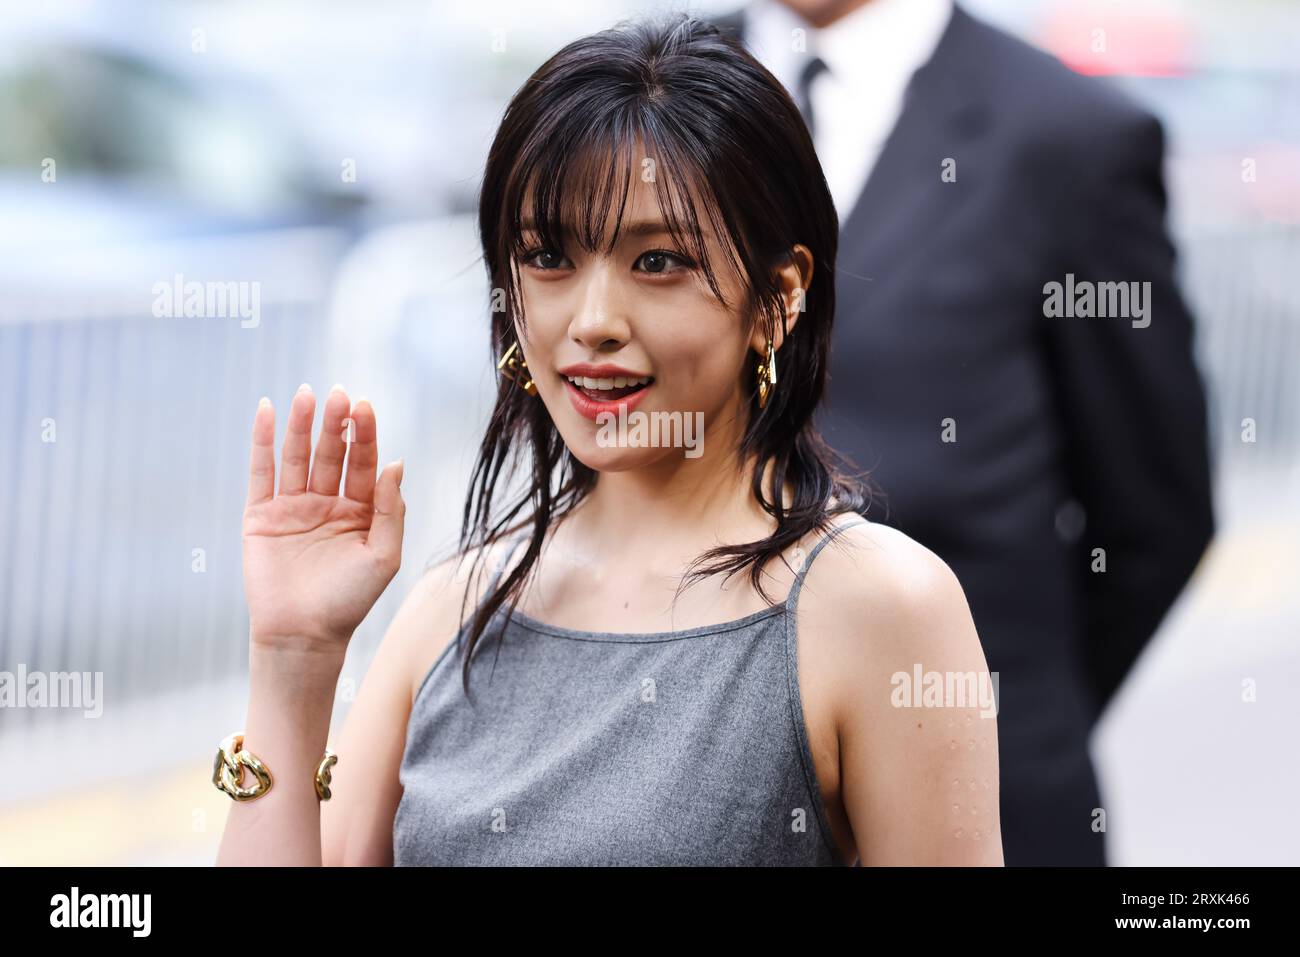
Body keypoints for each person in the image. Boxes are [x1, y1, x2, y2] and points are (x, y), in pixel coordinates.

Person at [214, 14, 1003, 867]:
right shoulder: (452, 609)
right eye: (548, 256)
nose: (591, 322)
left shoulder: (880, 606)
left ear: (778, 298)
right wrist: (292, 658)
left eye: (658, 261)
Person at [712, 0, 1216, 865]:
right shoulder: (640, 94)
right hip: (688, 806)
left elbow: (1157, 512)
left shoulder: (1070, 137)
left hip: (993, 798)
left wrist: (977, 717)